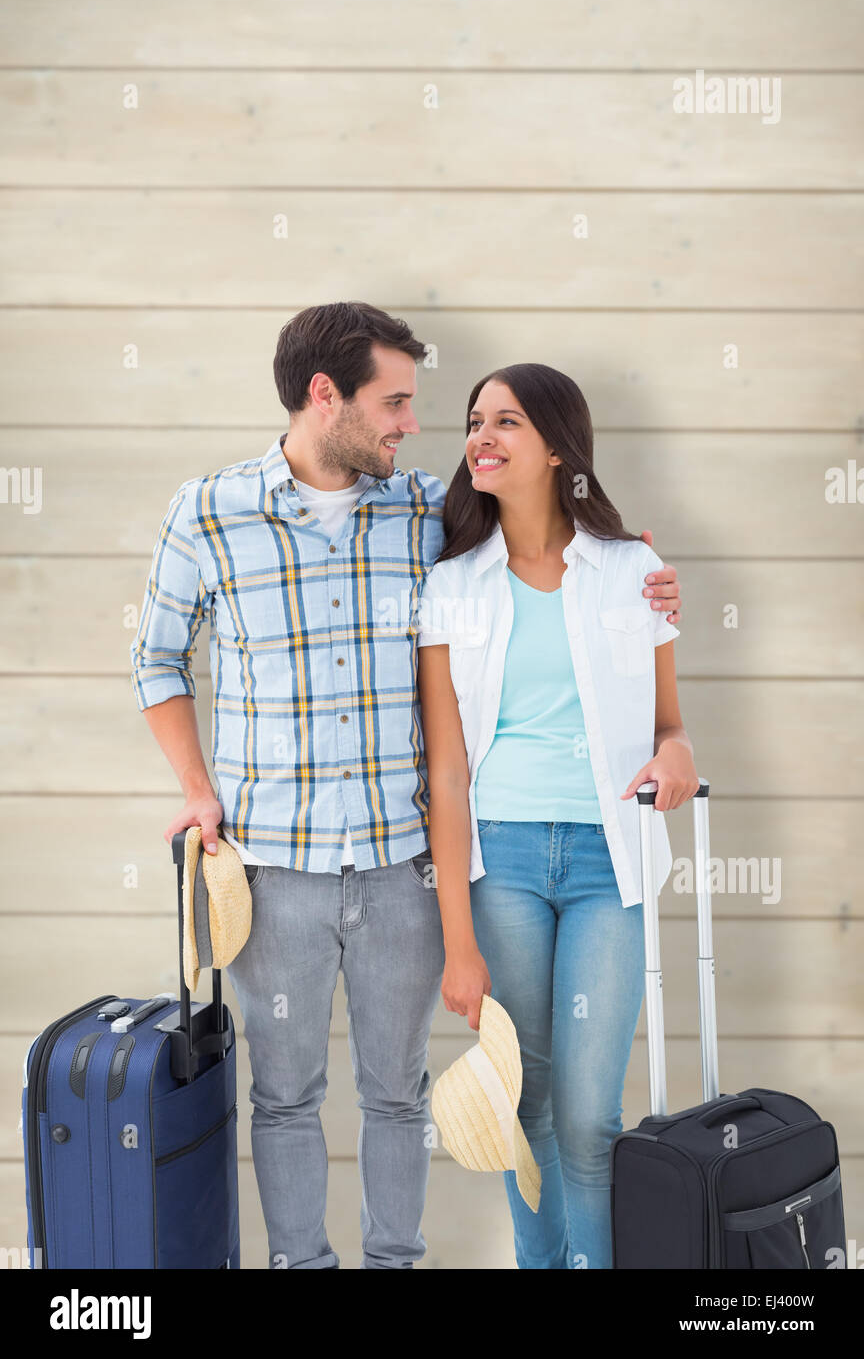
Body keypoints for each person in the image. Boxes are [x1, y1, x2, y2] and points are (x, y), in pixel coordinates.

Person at [130, 303, 682, 1269]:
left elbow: (543, 532)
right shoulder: (208, 511)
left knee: (401, 1094)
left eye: (430, 409)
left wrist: (630, 562)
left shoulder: (422, 509)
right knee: (285, 1096)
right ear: (323, 395)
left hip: (403, 866)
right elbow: (156, 663)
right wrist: (197, 788)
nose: (412, 426)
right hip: (275, 865)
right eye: (394, 403)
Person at [416, 362, 699, 1270]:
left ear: (556, 448)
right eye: (474, 421)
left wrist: (679, 757)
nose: (481, 437)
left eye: (505, 421)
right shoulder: (451, 584)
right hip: (498, 864)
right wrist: (458, 941)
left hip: (606, 863)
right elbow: (448, 772)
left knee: (588, 1116)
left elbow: (669, 725)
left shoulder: (632, 570)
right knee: (523, 1104)